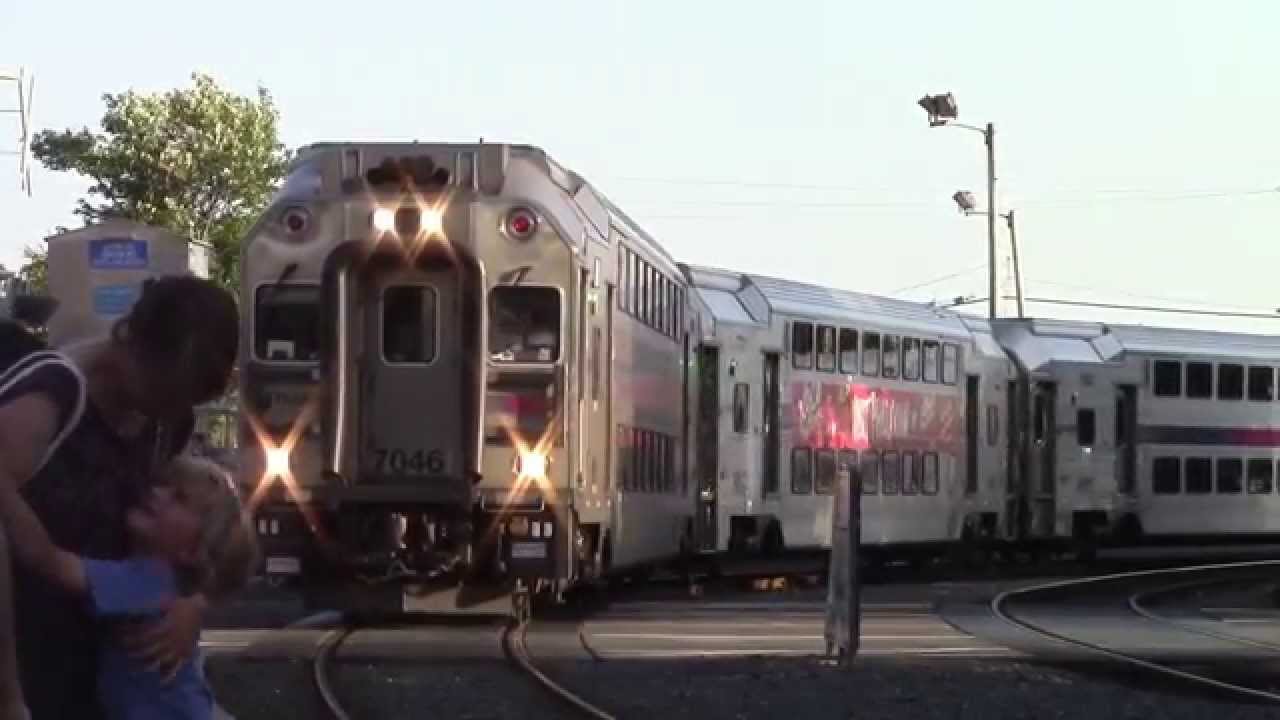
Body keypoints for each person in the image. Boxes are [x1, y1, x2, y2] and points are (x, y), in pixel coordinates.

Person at [0, 274, 240, 720]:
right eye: (167, 391)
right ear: (133, 344)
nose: (171, 409)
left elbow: (222, 540)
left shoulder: (168, 421)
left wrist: (193, 602)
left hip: (96, 680)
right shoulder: (51, 396)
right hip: (29, 664)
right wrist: (8, 697)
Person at [0, 456, 255, 720]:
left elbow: (46, 559)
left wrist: (4, 489)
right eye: (163, 485)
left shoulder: (148, 583)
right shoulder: (170, 588)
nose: (156, 493)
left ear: (192, 550)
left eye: (179, 498)